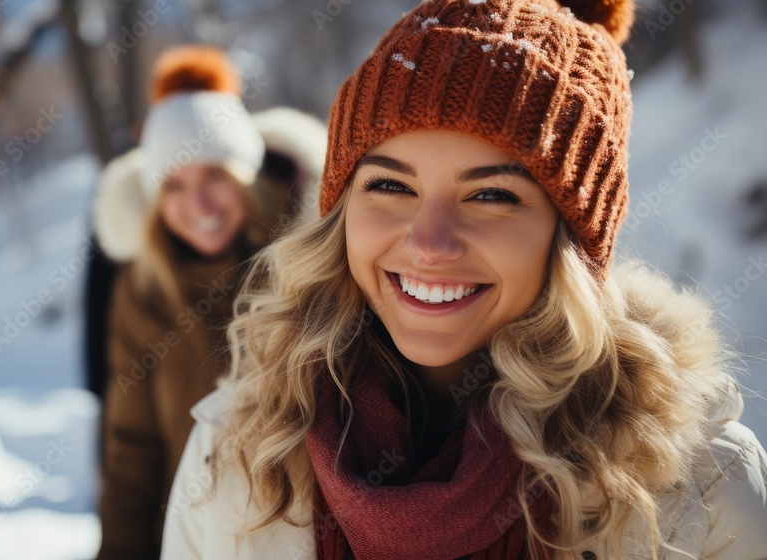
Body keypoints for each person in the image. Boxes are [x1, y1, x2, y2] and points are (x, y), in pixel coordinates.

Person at [162, 2, 767, 559]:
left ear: (572, 241)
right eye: (391, 186)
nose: (428, 244)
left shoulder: (701, 489)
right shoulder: (236, 451)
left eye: (492, 195)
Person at [90, 45, 326, 559]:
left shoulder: (306, 261)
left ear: (246, 177)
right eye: (174, 184)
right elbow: (132, 440)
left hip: (300, 528)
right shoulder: (142, 286)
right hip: (191, 533)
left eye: (215, 175)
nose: (197, 206)